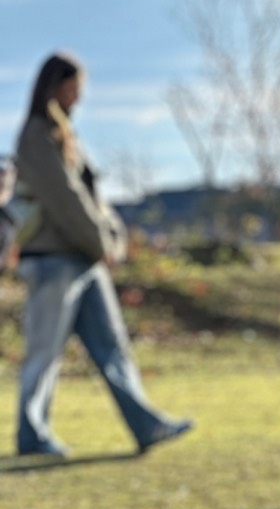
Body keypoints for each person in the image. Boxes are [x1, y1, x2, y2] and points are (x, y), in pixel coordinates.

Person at [12, 53, 192, 459]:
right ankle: (32, 434)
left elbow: (91, 197)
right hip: (54, 259)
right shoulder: (36, 137)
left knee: (113, 346)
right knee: (45, 352)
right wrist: (101, 243)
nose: (79, 96)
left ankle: (146, 424)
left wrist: (112, 238)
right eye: (74, 87)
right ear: (54, 86)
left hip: (84, 259)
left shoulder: (64, 135)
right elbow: (66, 200)